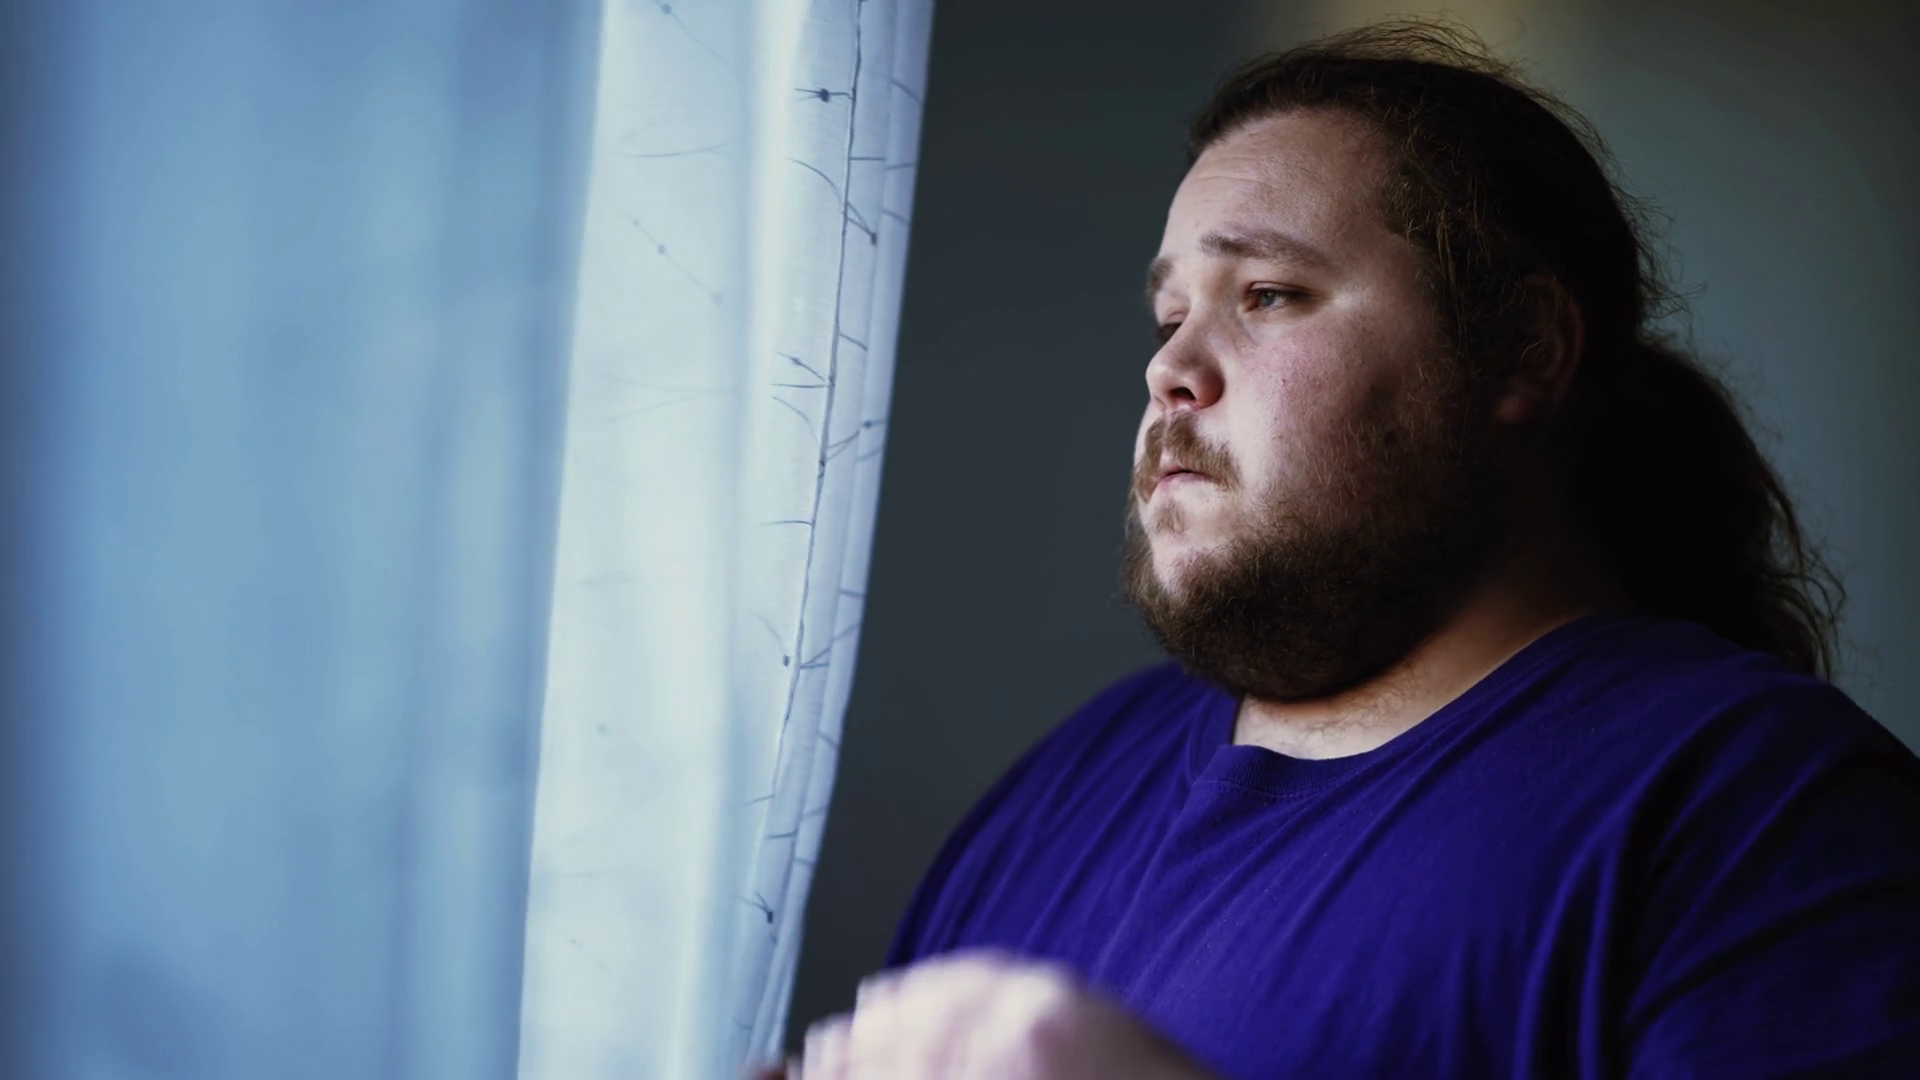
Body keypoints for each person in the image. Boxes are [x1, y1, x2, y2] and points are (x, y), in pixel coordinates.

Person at [775, 20, 1920, 1079]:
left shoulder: (1765, 808)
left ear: (1521, 348)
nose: (1170, 368)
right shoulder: (1060, 788)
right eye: (1169, 314)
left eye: (1267, 294)